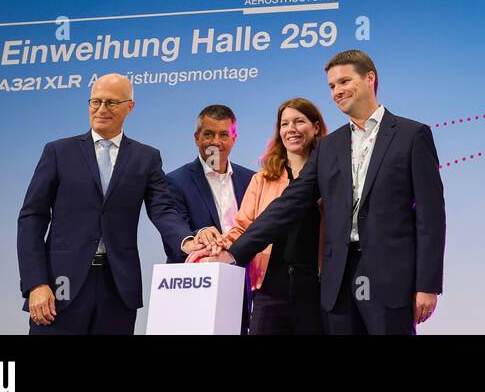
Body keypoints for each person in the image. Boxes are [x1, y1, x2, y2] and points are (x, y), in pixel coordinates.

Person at [193, 50, 445, 335]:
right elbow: (287, 204)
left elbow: (431, 218)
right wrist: (234, 253)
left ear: (369, 79)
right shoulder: (330, 147)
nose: (337, 91)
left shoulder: (412, 135)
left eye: (344, 81)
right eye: (332, 86)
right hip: (336, 281)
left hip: (390, 280)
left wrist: (427, 285)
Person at [17, 73, 212, 335]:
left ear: (129, 106)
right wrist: (35, 283)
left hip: (118, 288)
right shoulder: (58, 152)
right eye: (95, 102)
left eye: (111, 102)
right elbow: (32, 218)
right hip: (59, 287)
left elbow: (163, 209)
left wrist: (187, 240)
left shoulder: (147, 157)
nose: (101, 109)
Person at [223, 98, 327, 335]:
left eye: (299, 121)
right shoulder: (262, 178)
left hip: (316, 289)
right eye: (284, 123)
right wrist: (220, 249)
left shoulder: (330, 177)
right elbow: (242, 228)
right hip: (269, 287)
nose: (291, 129)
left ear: (316, 127)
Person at [162, 105, 254, 262]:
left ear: (234, 138)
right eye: (209, 134)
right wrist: (201, 233)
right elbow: (175, 231)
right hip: (198, 277)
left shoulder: (251, 179)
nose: (216, 142)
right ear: (196, 138)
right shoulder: (175, 181)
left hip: (244, 273)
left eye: (224, 135)